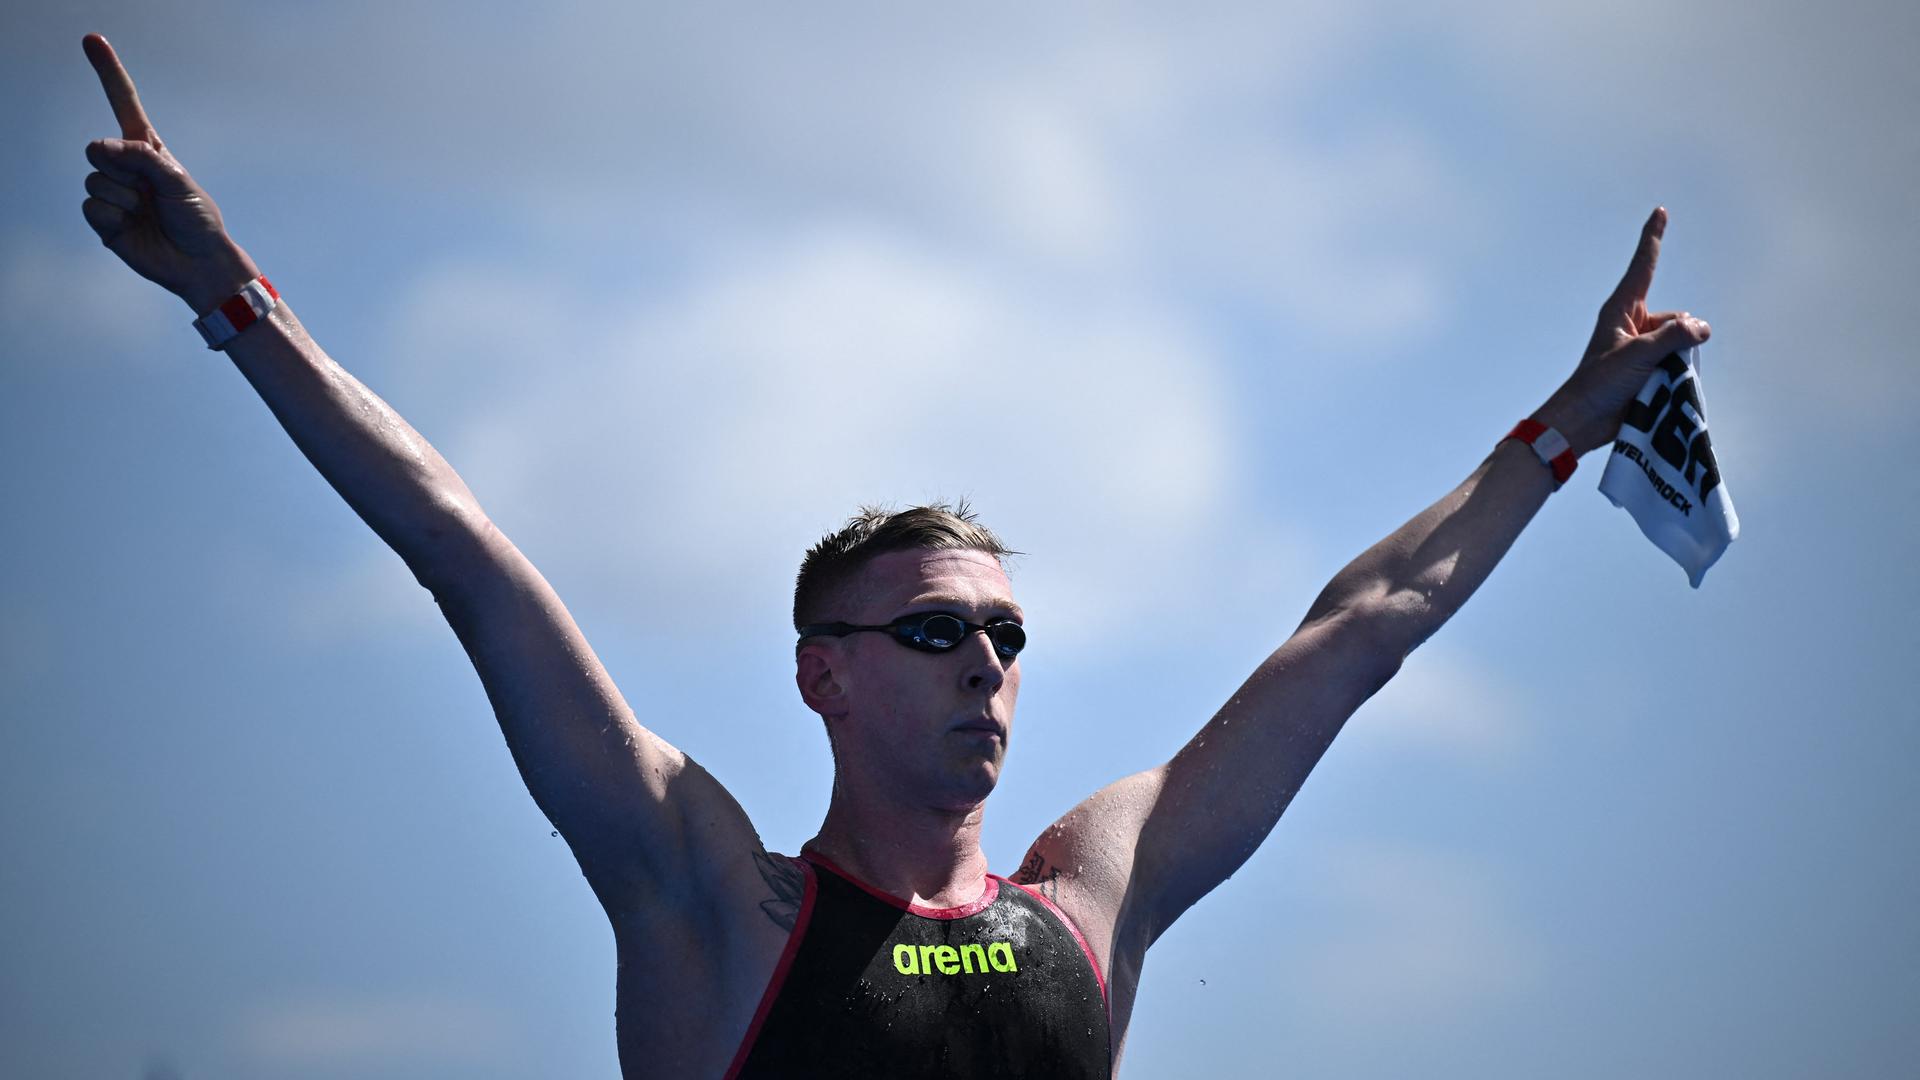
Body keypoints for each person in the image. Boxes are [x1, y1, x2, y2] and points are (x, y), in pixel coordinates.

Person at [78, 31, 1713, 1080]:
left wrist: (1564, 425)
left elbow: (1367, 625)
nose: (990, 665)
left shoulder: (1091, 899)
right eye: (938, 633)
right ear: (825, 674)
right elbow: (461, 549)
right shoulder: (714, 902)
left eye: (1009, 635)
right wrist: (241, 305)